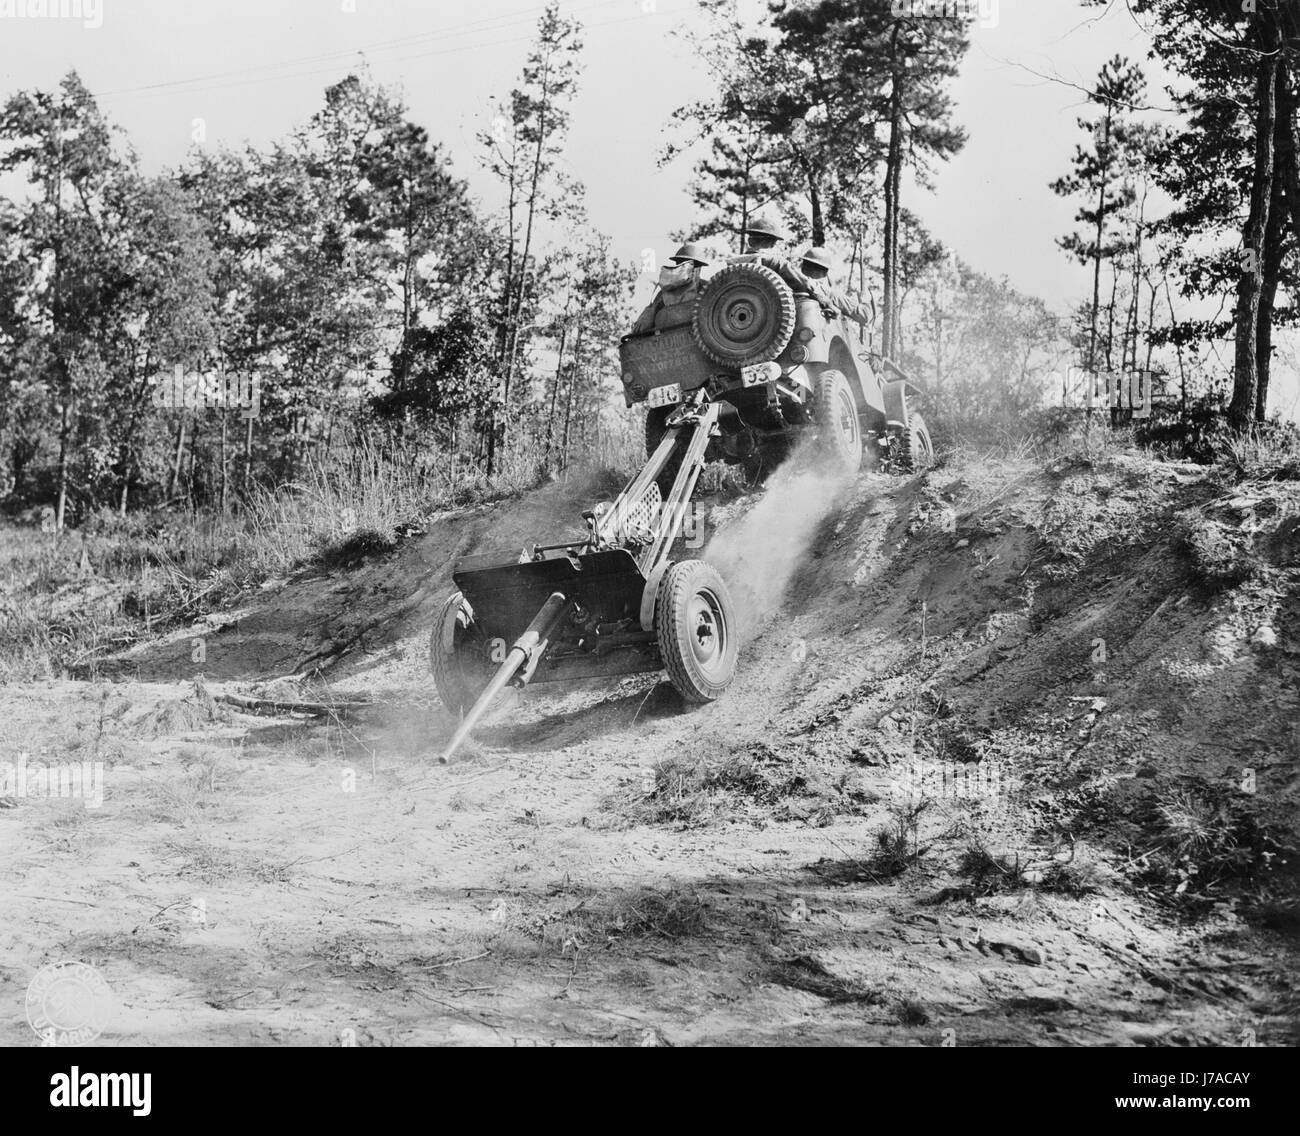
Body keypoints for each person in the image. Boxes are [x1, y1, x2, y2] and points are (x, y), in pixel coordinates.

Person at [629, 241, 713, 336]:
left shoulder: (707, 288)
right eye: (681, 263)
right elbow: (642, 328)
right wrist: (648, 314)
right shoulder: (664, 294)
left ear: (698, 268)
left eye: (690, 264)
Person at [797, 245, 874, 327]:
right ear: (825, 272)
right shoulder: (831, 294)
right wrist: (864, 299)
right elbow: (864, 317)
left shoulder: (790, 286)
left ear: (803, 267)